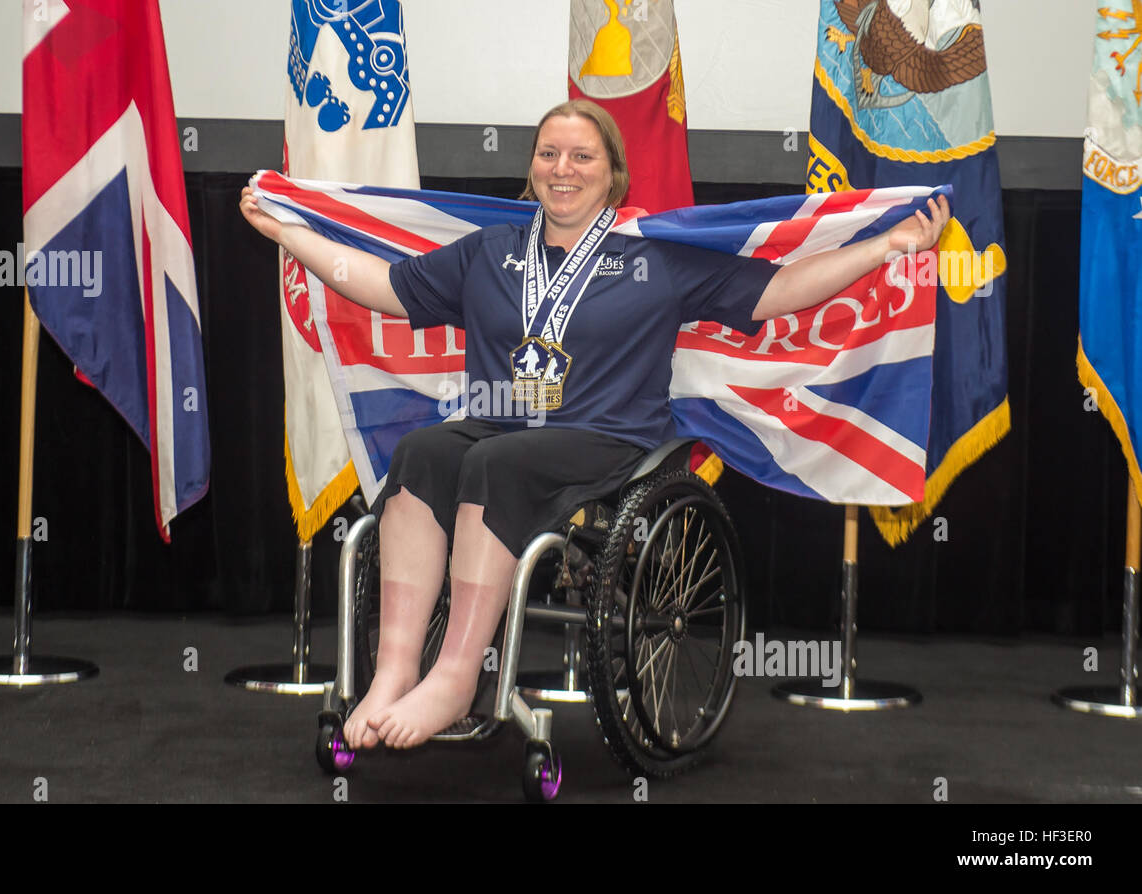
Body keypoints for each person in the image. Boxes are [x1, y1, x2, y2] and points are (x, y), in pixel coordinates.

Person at [240, 99, 950, 751]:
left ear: (613, 174)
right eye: (549, 153)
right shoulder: (491, 250)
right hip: (504, 421)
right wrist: (290, 232)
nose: (562, 168)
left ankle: (456, 677)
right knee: (424, 450)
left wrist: (884, 249)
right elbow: (386, 289)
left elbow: (775, 292)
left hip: (610, 439)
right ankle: (395, 670)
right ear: (532, 169)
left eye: (582, 156)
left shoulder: (656, 257)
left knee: (493, 467)